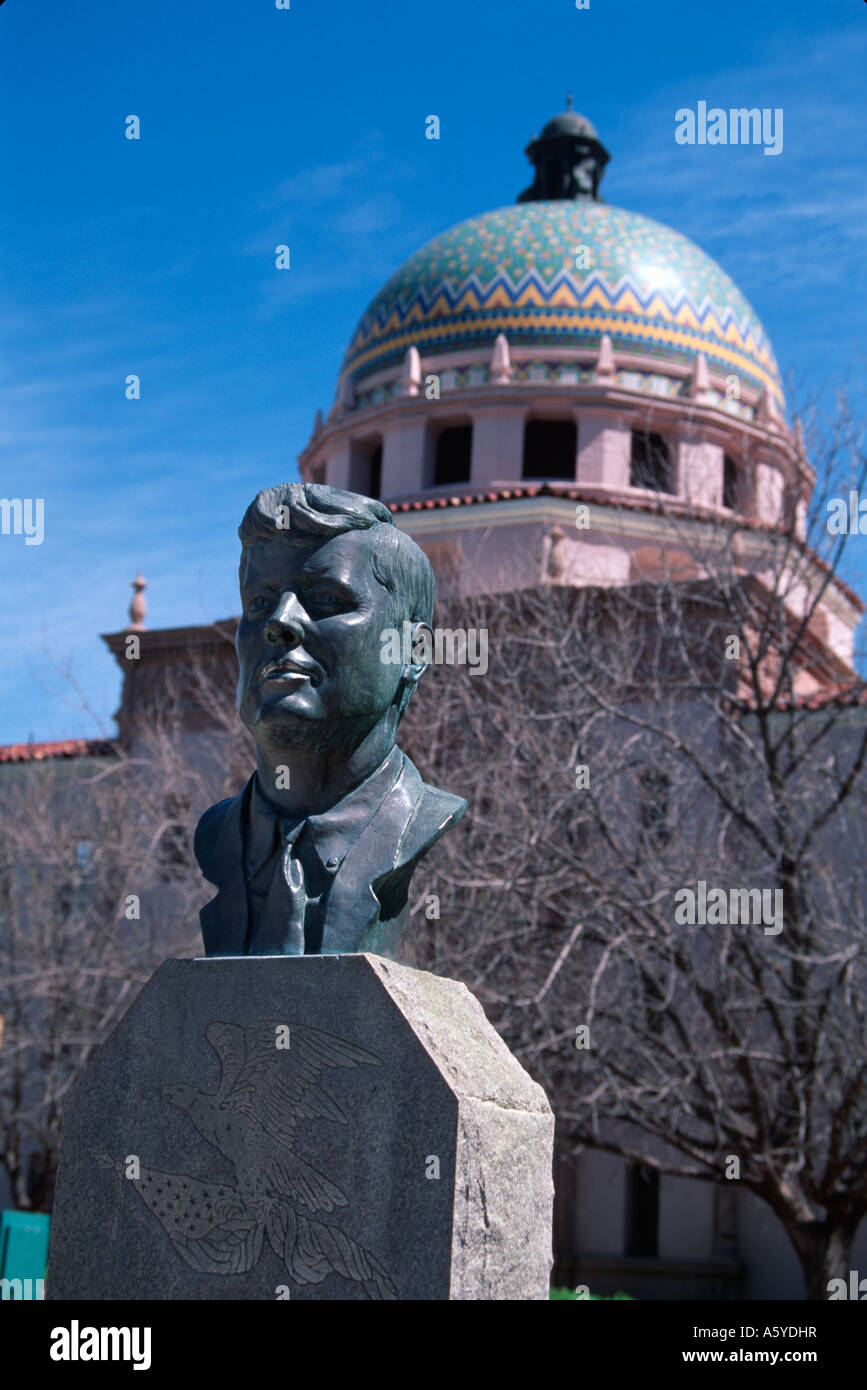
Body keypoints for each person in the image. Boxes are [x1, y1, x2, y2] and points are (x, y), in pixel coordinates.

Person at [194, 482, 467, 960]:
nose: (280, 621)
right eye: (260, 603)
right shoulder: (215, 838)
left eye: (326, 599)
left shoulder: (426, 825)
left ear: (413, 651)